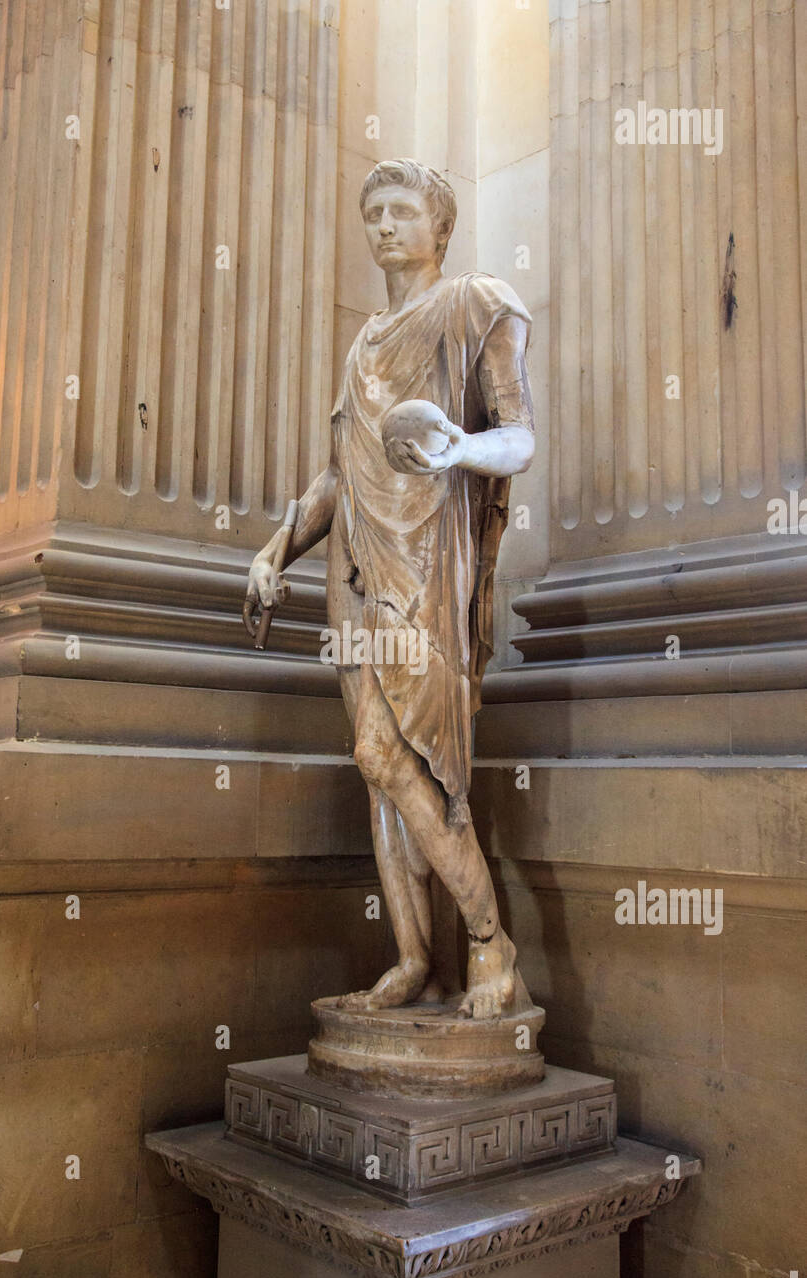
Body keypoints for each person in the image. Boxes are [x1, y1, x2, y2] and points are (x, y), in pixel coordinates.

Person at [245, 159, 535, 1020]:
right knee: (378, 769)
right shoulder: (366, 342)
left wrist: (458, 452)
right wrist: (275, 549)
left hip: (428, 564)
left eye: (402, 210)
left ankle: (489, 941)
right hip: (356, 566)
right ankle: (416, 960)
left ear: (439, 228)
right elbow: (340, 474)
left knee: (404, 757)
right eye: (372, 211)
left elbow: (518, 438)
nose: (383, 225)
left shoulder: (477, 304)